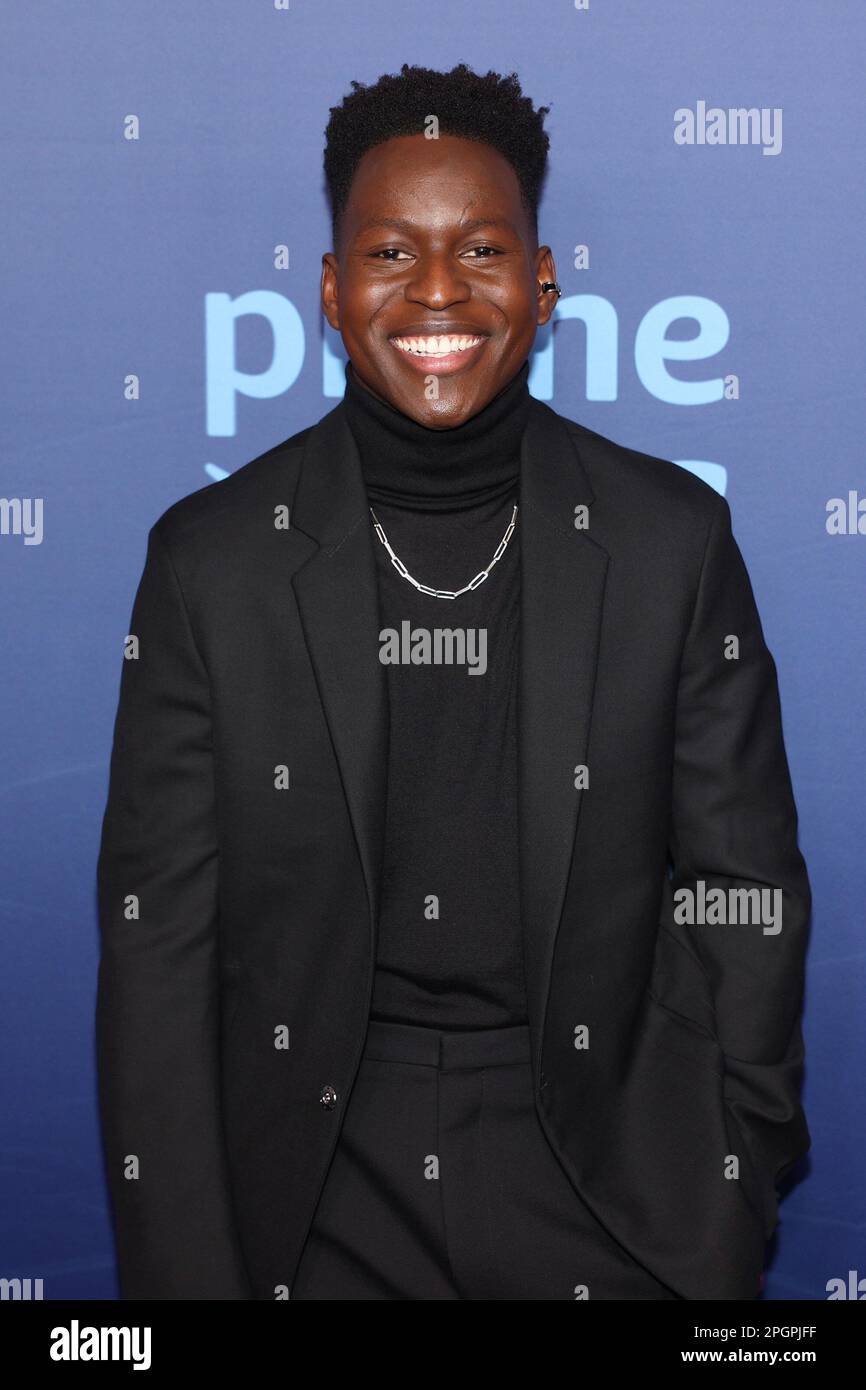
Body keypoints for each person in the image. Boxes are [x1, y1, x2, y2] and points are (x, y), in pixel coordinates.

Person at [95, 62, 811, 1301]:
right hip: (311, 1186)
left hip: (611, 1178)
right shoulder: (208, 564)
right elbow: (159, 960)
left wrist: (726, 1188)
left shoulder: (668, 541)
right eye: (388, 252)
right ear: (330, 290)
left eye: (479, 248)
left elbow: (741, 896)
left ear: (541, 283)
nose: (435, 290)